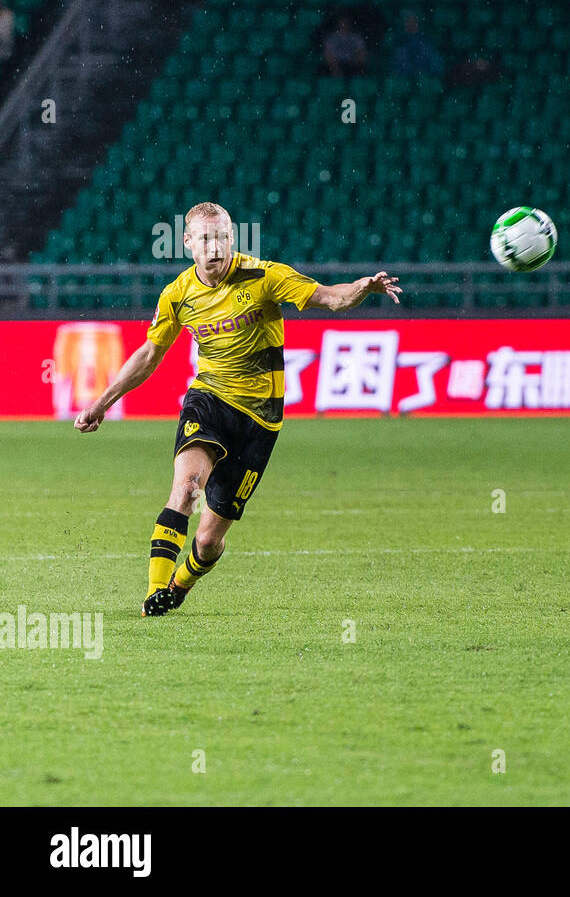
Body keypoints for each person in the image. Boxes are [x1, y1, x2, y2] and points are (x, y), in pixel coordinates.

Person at [73, 202, 401, 616]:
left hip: (261, 420)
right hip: (208, 401)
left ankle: (180, 584)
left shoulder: (264, 277)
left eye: (223, 237)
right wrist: (103, 403)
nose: (215, 247)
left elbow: (330, 298)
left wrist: (363, 287)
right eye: (205, 239)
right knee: (186, 488)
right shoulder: (177, 294)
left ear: (233, 239)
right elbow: (148, 355)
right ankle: (152, 596)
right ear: (188, 243)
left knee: (209, 541)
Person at [392, 13, 443, 78]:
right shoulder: (399, 40)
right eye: (408, 21)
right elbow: (397, 65)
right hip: (404, 77)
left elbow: (432, 62)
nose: (411, 24)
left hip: (424, 76)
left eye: (413, 21)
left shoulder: (426, 39)